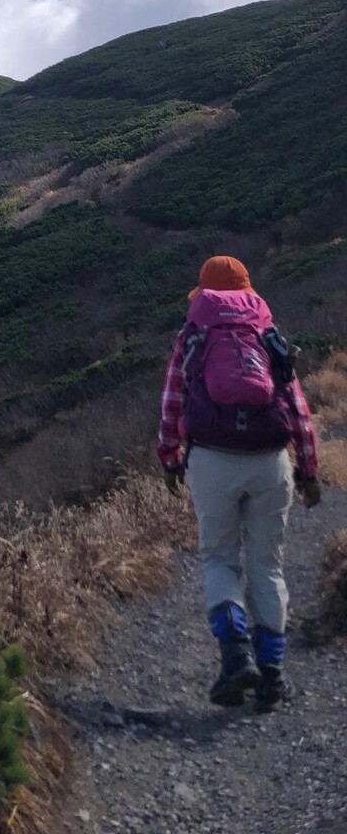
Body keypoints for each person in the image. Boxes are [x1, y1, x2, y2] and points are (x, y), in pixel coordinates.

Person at [158, 255, 321, 711]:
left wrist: (169, 458)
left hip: (212, 460)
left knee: (220, 559)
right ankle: (271, 675)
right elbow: (297, 405)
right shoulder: (266, 334)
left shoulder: (193, 335)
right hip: (270, 461)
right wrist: (308, 470)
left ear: (204, 295)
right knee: (268, 566)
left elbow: (173, 400)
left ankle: (235, 656)